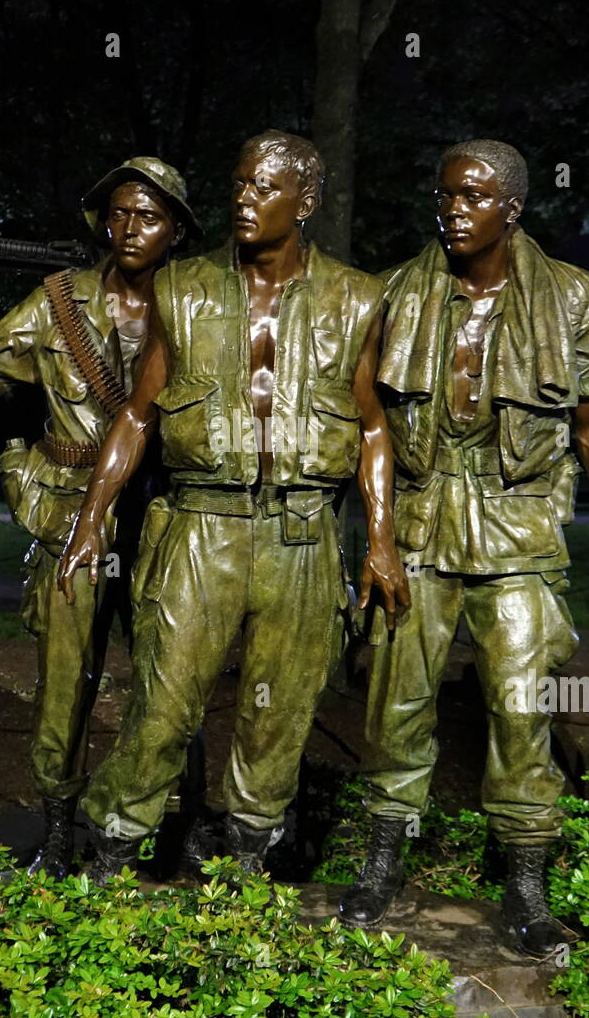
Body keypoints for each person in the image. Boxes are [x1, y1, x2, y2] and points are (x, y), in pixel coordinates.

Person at [58, 130, 410, 881]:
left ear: (304, 202)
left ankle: (246, 861)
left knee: (279, 712)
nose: (244, 200)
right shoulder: (179, 286)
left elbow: (374, 426)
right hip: (197, 525)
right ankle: (111, 856)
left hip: (302, 531)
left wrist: (379, 538)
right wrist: (91, 519)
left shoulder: (357, 296)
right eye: (239, 184)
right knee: (161, 703)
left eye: (263, 188)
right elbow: (138, 416)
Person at [340, 139, 589, 954]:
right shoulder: (396, 294)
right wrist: (375, 537)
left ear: (510, 208)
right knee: (395, 697)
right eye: (444, 195)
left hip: (517, 525)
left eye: (472, 198)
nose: (451, 210)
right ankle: (380, 865)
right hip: (418, 518)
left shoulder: (566, 297)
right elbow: (370, 425)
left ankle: (525, 887)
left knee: (522, 706)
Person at [0, 157, 201, 877]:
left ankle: (176, 821)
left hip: (166, 512)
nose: (130, 227)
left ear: (176, 231)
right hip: (72, 512)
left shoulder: (198, 305)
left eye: (149, 215)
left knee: (173, 676)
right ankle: (57, 829)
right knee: (66, 678)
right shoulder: (56, 303)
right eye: (120, 213)